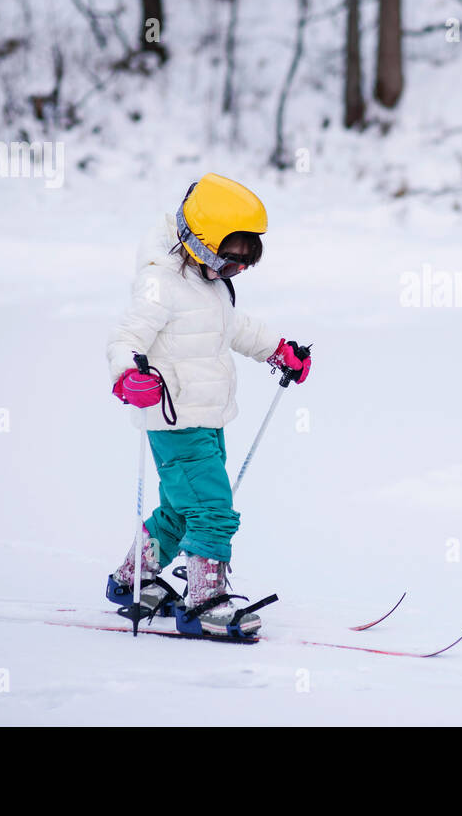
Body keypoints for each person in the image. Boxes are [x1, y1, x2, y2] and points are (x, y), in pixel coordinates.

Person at [104, 173, 310, 637]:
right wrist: (128, 375)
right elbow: (125, 337)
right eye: (229, 259)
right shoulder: (161, 282)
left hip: (208, 415)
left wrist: (277, 349)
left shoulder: (205, 278)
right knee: (213, 509)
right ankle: (203, 602)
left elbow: (230, 326)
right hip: (174, 418)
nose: (234, 270)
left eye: (244, 263)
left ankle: (131, 579)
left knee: (181, 509)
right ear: (199, 240)